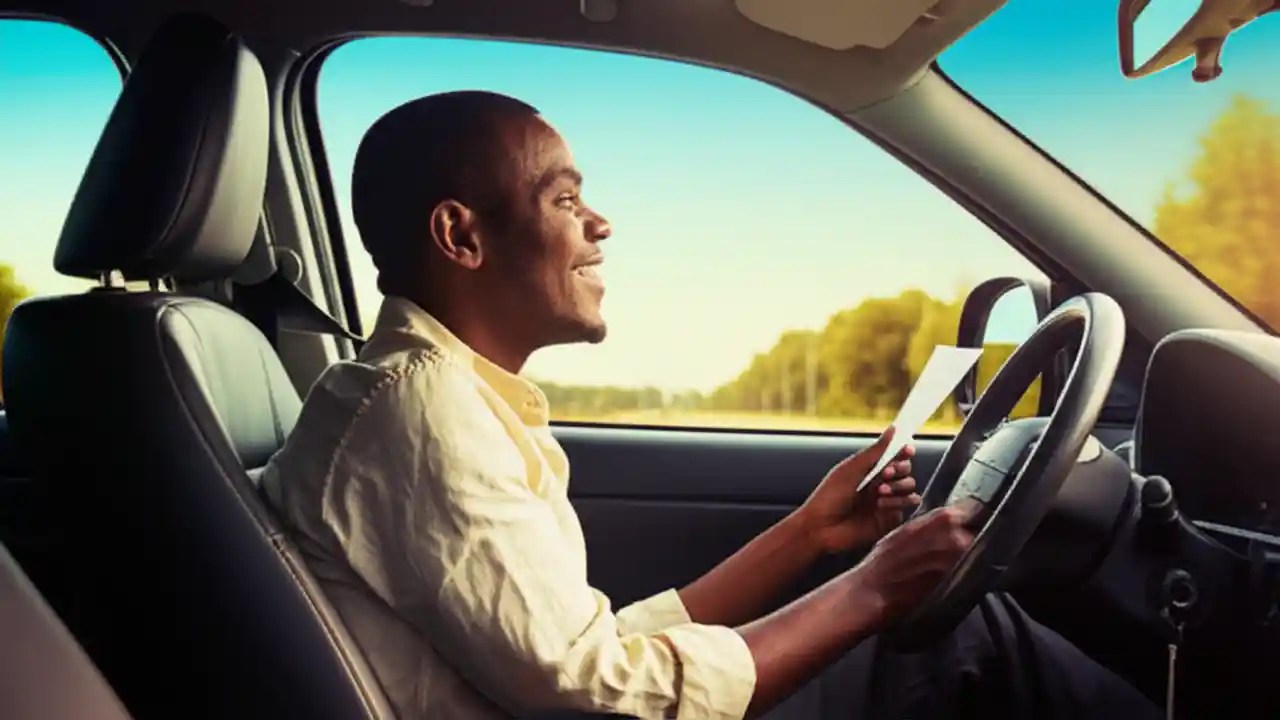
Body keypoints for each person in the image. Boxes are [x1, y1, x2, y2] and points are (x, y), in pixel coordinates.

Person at [260, 91, 1160, 720]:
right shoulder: (421, 409)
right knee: (968, 642)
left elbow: (588, 651)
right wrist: (873, 587)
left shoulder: (439, 395)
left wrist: (809, 535)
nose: (600, 223)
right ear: (461, 235)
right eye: (564, 198)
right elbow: (597, 693)